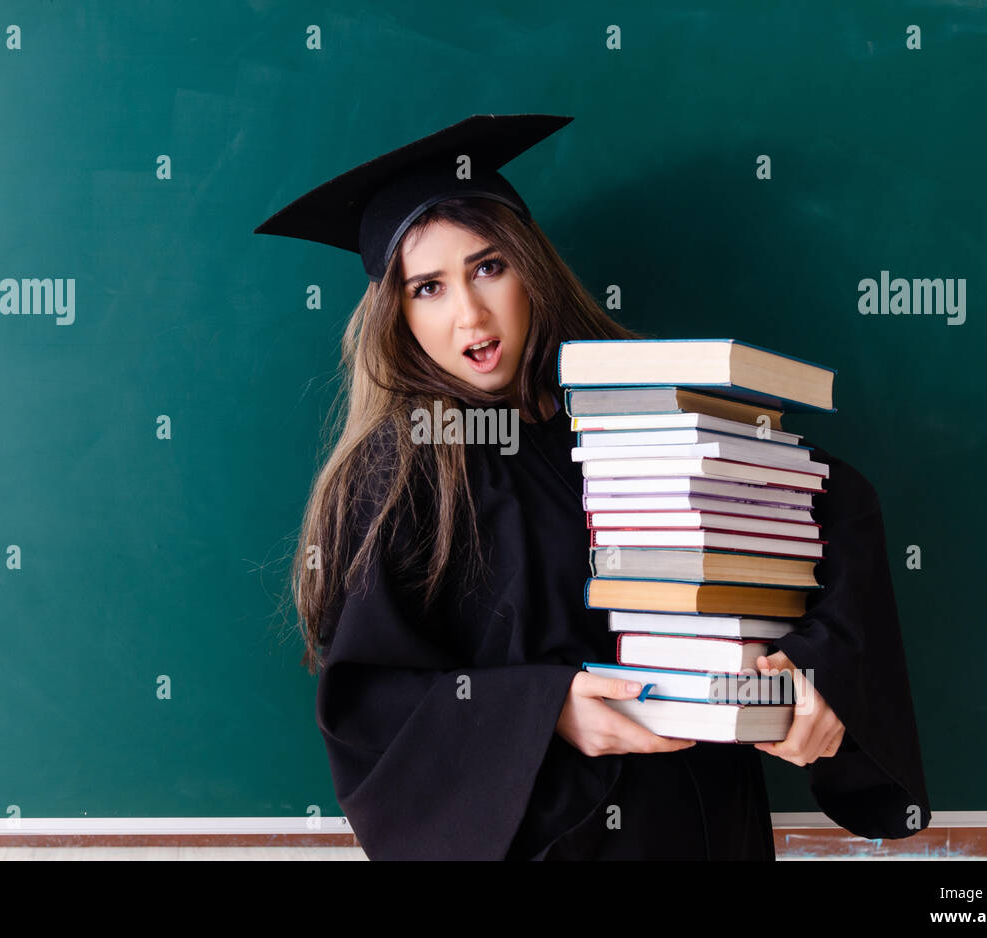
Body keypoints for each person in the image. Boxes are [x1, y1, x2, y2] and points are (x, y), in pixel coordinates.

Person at [254, 114, 931, 860]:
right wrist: (549, 711)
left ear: (530, 265)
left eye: (488, 267)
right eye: (428, 287)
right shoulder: (403, 474)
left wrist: (813, 672)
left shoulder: (652, 409)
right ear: (397, 314)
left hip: (712, 829)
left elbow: (835, 511)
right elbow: (372, 709)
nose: (470, 315)